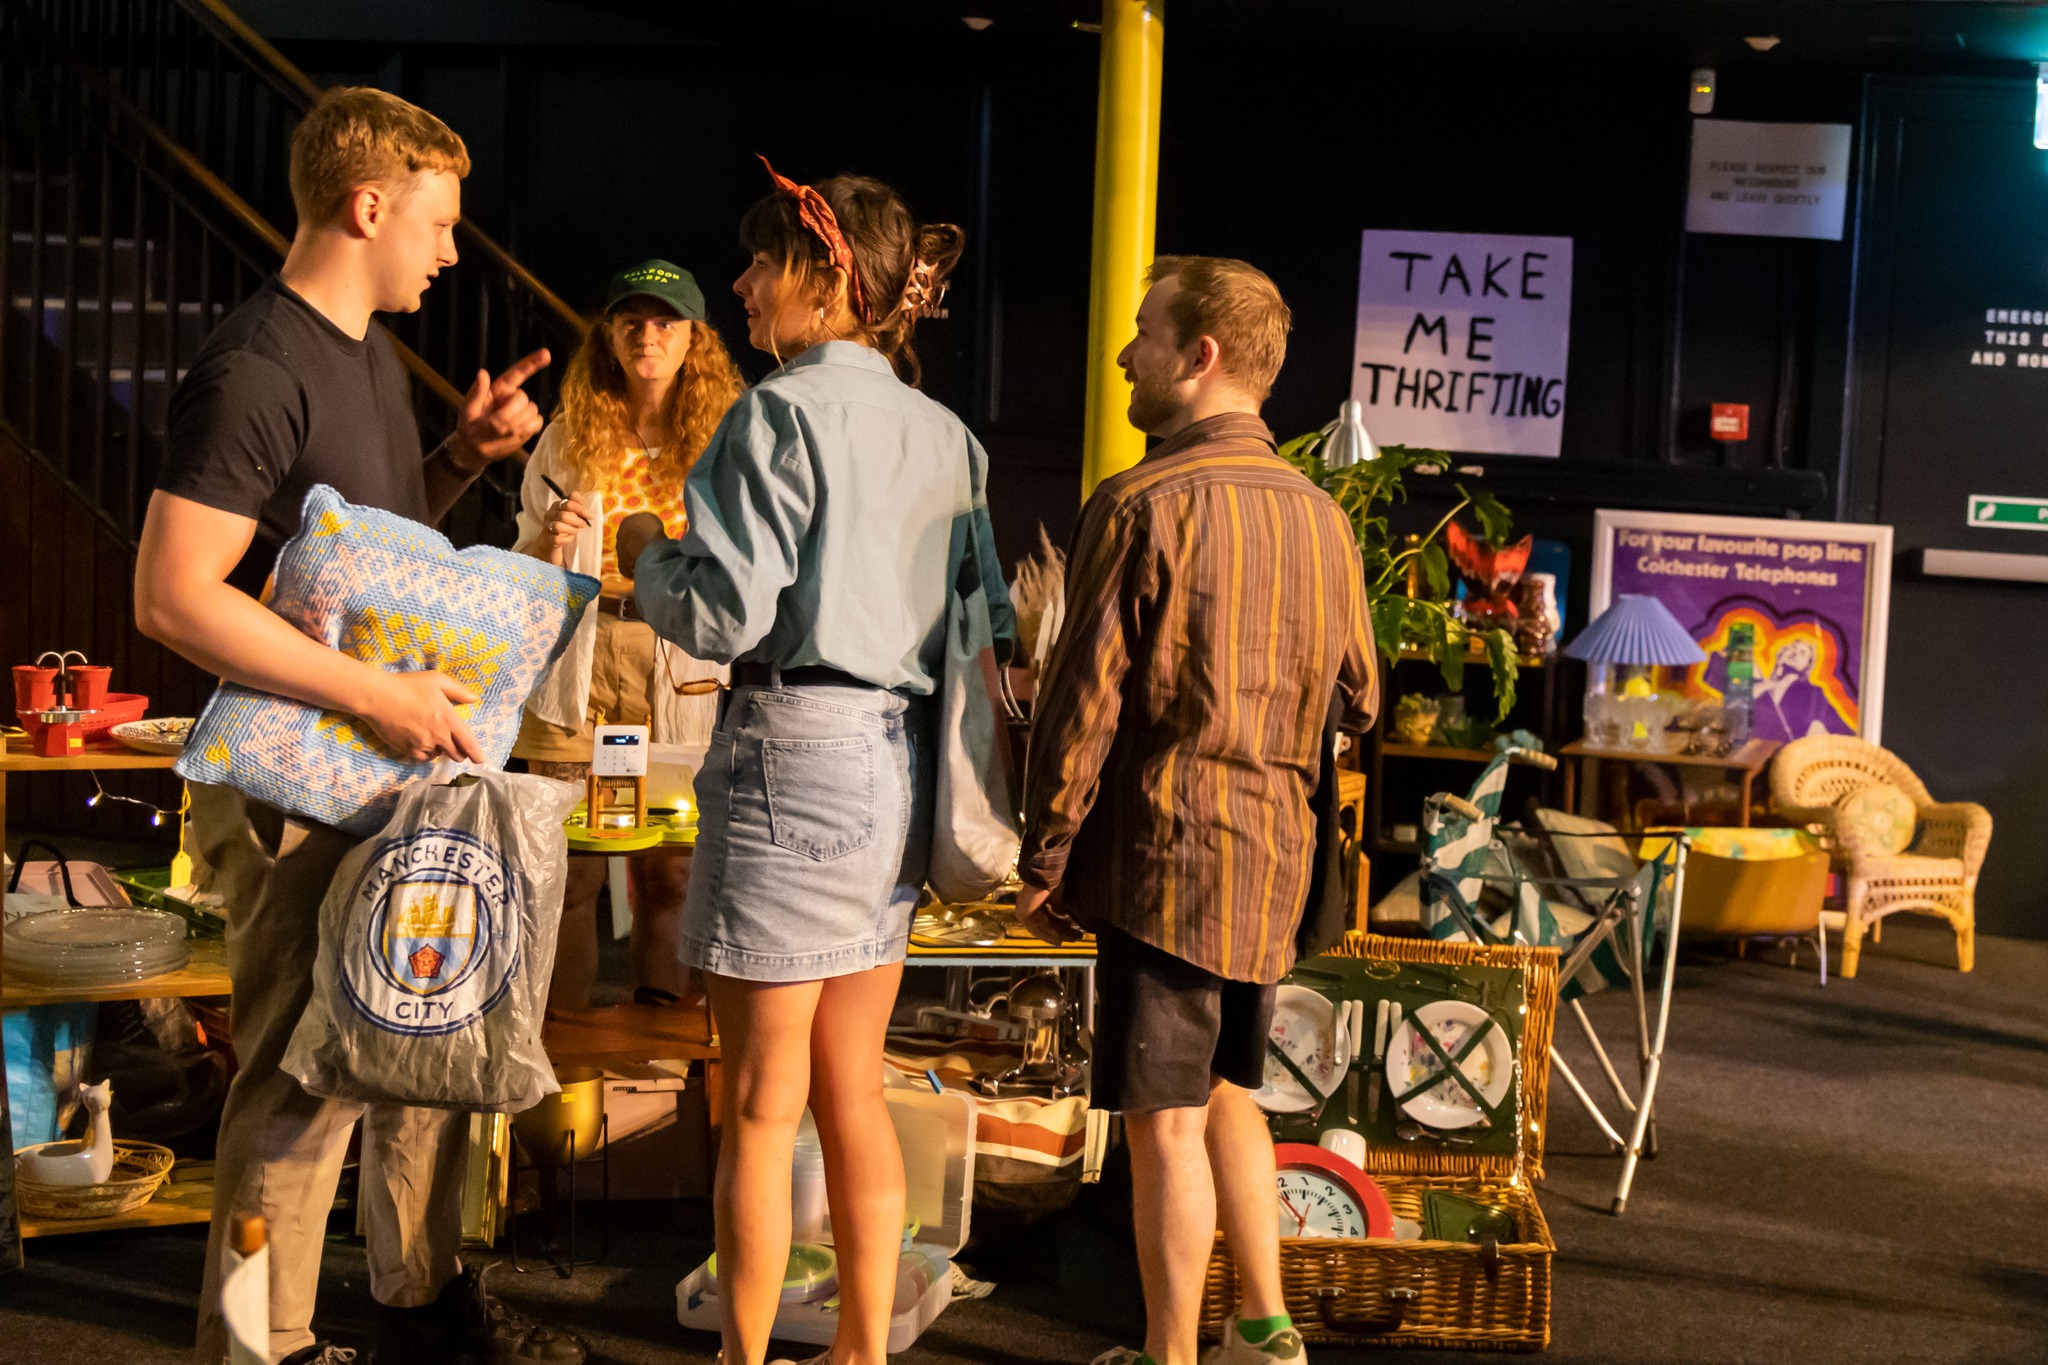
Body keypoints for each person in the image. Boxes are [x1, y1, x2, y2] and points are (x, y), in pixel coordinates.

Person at [134, 87, 576, 1365]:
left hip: (387, 771)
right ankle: (255, 1346)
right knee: (292, 1073)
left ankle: (413, 1298)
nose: (450, 251)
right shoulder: (257, 368)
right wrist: (382, 695)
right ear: (368, 207)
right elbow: (172, 595)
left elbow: (356, 565)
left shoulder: (367, 350)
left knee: (417, 1047)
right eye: (438, 223)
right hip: (295, 787)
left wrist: (461, 457)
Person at [616, 159, 1011, 1365]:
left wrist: (645, 553)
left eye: (759, 261)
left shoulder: (775, 414)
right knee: (851, 1087)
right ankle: (857, 1354)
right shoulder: (950, 438)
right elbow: (982, 626)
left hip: (791, 755)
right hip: (896, 765)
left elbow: (723, 614)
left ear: (826, 276)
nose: (740, 284)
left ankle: (742, 1357)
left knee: (757, 1102)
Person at [1014, 256, 1378, 1365]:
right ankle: (1265, 1328)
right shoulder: (1323, 517)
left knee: (1164, 1123)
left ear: (1200, 354)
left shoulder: (1139, 504)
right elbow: (1362, 698)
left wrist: (1044, 855)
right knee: (1225, 1092)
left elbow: (1080, 708)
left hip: (1167, 862)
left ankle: (1170, 1357)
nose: (1126, 354)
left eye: (1144, 333)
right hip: (1274, 862)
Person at [513, 259, 745, 1010]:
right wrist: (548, 539)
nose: (648, 335)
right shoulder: (567, 438)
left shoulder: (725, 441)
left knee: (670, 873)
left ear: (694, 339)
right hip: (582, 653)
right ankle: (564, 1051)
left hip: (677, 657)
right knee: (569, 871)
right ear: (608, 336)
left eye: (666, 322)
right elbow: (520, 559)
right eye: (631, 321)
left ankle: (661, 1049)